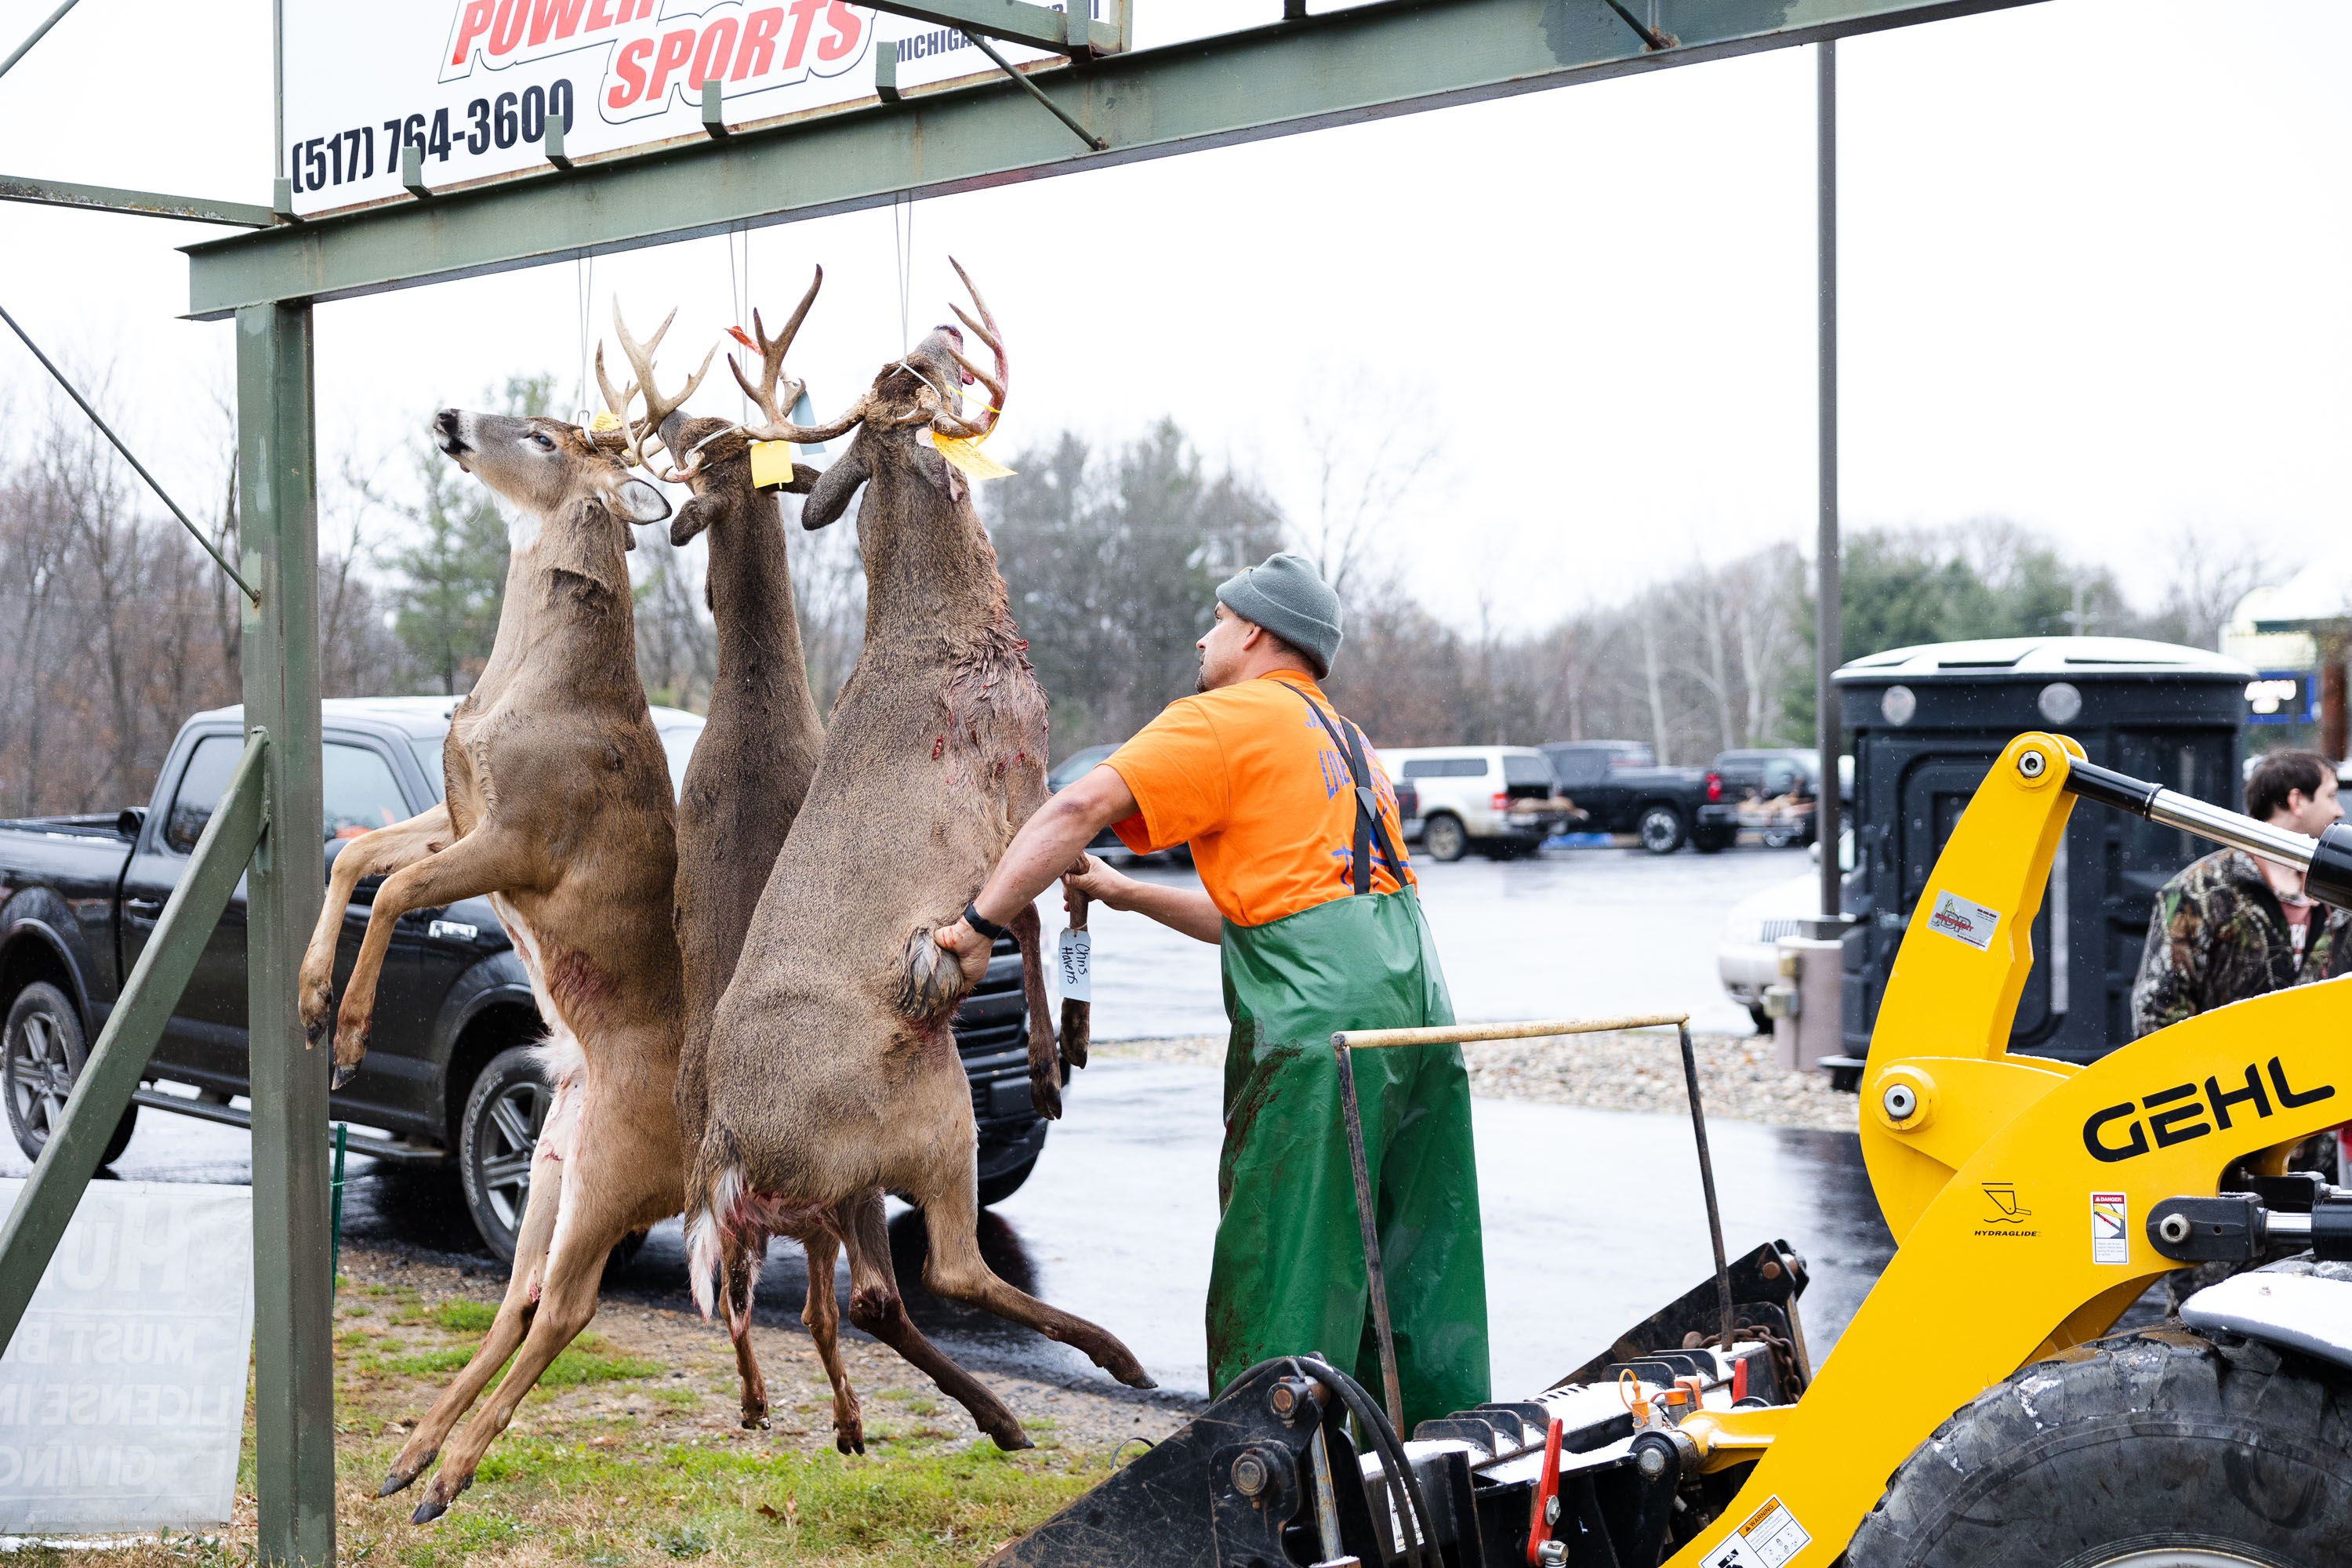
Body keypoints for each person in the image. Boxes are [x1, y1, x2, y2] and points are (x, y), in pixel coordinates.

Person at [932, 553, 1490, 1428]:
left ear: (1257, 632)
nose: (1204, 637)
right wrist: (1128, 893)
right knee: (1414, 1257)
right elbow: (1265, 921)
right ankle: (1437, 1458)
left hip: (1319, 1034)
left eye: (1220, 619)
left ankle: (1264, 1464)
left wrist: (978, 925)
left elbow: (1076, 809)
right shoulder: (1345, 741)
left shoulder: (1225, 718)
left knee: (1288, 1254)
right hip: (1419, 1016)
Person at [2130, 749, 2352, 1037]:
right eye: (2331, 796)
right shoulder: (2200, 889)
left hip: (2323, 1064)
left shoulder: (2340, 886)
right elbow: (2158, 1013)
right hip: (2229, 1065)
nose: (2339, 811)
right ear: (2296, 801)